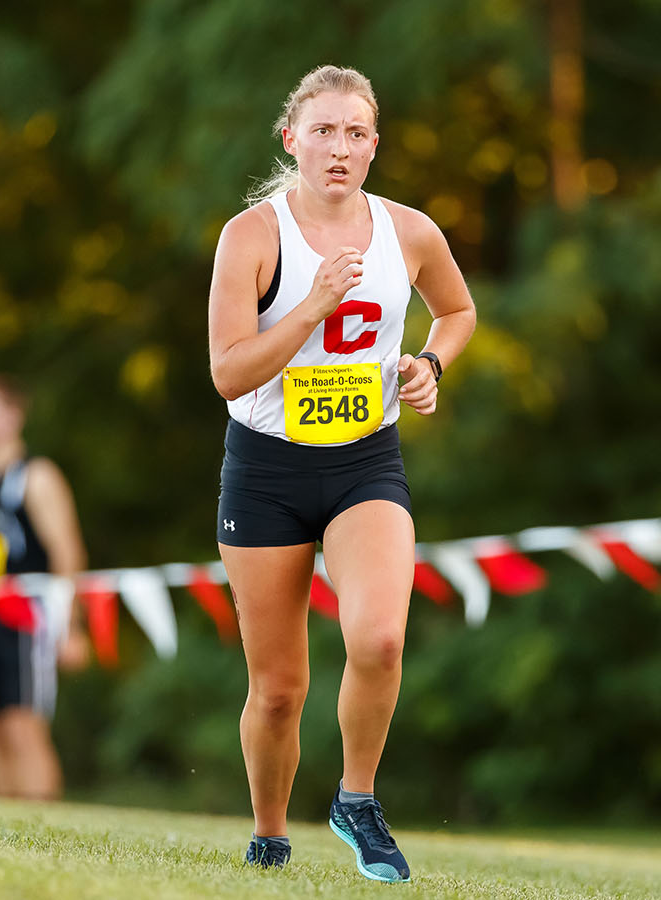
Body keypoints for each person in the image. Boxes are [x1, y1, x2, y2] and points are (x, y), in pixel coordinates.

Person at [207, 65, 476, 881]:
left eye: (356, 133)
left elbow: (458, 312)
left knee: (382, 637)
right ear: (292, 138)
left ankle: (357, 800)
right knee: (280, 687)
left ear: (374, 146)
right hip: (265, 472)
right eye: (323, 130)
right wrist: (312, 304)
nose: (339, 148)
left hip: (366, 462)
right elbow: (227, 373)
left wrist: (430, 361)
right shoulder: (251, 236)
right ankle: (269, 832)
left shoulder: (410, 231)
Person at [0, 374, 90, 801]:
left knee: (22, 724)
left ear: (13, 417)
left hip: (27, 619)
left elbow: (68, 551)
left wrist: (71, 626)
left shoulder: (36, 476)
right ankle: (2, 826)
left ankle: (41, 827)